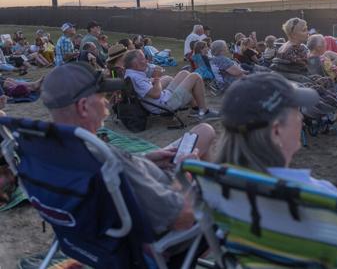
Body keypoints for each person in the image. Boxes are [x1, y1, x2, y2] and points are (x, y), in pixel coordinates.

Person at [215, 73, 337, 267]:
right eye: (297, 111)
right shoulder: (321, 200)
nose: (301, 118)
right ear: (276, 131)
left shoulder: (215, 189)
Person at [42, 63, 216, 239]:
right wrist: (183, 174)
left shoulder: (53, 153)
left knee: (203, 132)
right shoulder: (109, 161)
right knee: (205, 132)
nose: (107, 103)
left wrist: (145, 159)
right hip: (159, 239)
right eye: (103, 96)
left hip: (95, 237)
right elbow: (182, 219)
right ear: (83, 107)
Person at [124, 49, 219, 120]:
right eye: (143, 59)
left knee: (184, 73)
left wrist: (152, 80)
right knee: (196, 76)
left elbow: (146, 88)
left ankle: (195, 108)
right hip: (165, 105)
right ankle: (204, 111)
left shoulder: (131, 73)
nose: (146, 61)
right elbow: (156, 95)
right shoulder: (136, 78)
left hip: (164, 99)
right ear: (136, 64)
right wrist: (156, 78)